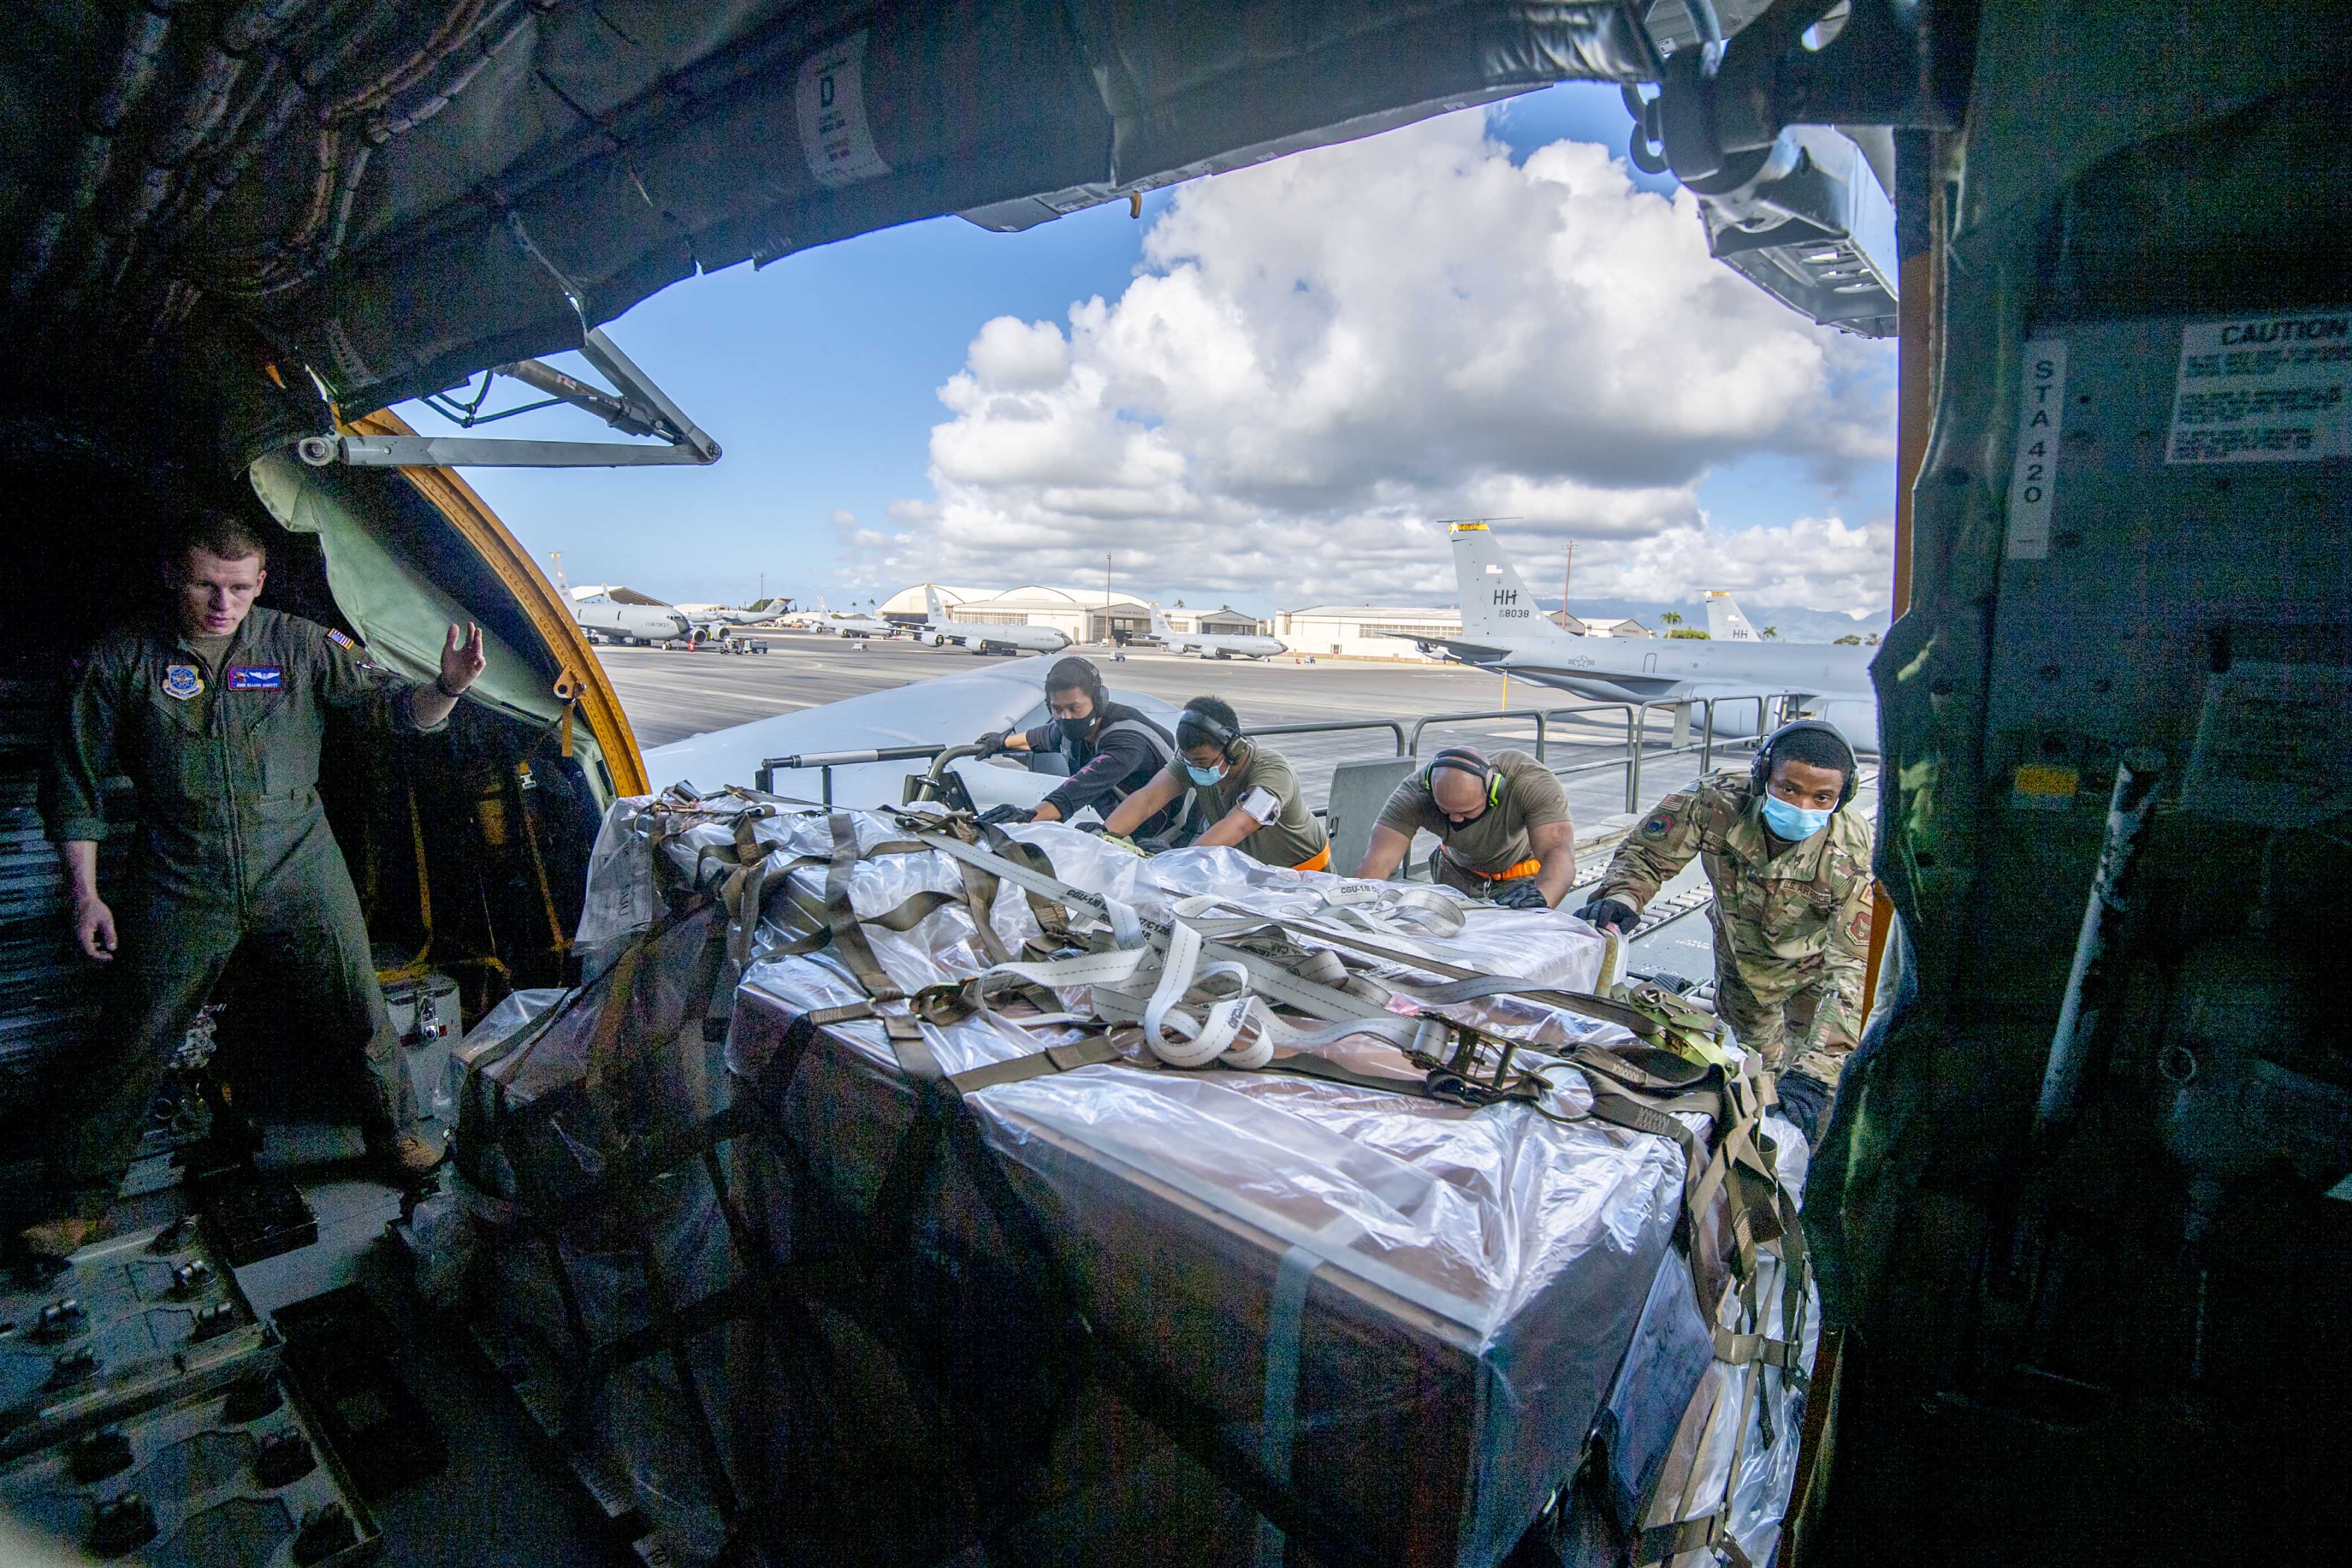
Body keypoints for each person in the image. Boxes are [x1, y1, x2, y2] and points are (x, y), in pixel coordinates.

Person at [23, 513, 485, 1258]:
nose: (222, 601)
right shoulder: (122, 660)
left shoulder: (298, 644)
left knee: (358, 1005)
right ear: (176, 573)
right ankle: (79, 1199)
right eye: (207, 582)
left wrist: (448, 689)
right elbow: (73, 787)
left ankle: (398, 1136)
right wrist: (86, 893)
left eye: (239, 586)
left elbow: (398, 712)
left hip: (298, 857)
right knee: (135, 1032)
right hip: (180, 869)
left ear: (261, 583)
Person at [1575, 719, 1873, 1140]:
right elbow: (1648, 853)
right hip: (1742, 960)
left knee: (1811, 1094)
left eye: (1821, 797)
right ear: (1762, 776)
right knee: (1757, 1073)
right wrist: (1625, 896)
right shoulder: (1716, 801)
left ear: (1842, 799)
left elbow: (1854, 972)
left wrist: (1818, 1074)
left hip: (1815, 974)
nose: (1803, 806)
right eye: (1789, 789)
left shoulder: (1852, 854)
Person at [1102, 697, 1330, 871]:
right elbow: (1147, 799)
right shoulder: (1193, 762)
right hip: (1254, 877)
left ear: (1234, 748)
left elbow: (1240, 824)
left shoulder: (1273, 774)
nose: (1194, 768)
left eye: (1202, 761)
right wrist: (1104, 836)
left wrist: (1179, 861)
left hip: (1304, 878)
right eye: (1189, 761)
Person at [974, 656, 1184, 836]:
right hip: (1125, 828)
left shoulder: (1126, 741)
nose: (1066, 718)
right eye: (1057, 709)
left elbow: (1078, 790)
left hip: (1170, 836)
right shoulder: (1079, 728)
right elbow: (1042, 737)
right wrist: (1000, 742)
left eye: (1074, 708)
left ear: (1098, 702)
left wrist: (1028, 816)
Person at [1354, 747, 1576, 909]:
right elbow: (1377, 864)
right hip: (1454, 875)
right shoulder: (1414, 794)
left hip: (1520, 883)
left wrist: (1543, 897)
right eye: (1447, 812)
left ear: (1494, 794)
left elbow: (1558, 853)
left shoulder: (1528, 780)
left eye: (1467, 812)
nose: (1457, 820)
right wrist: (1356, 911)